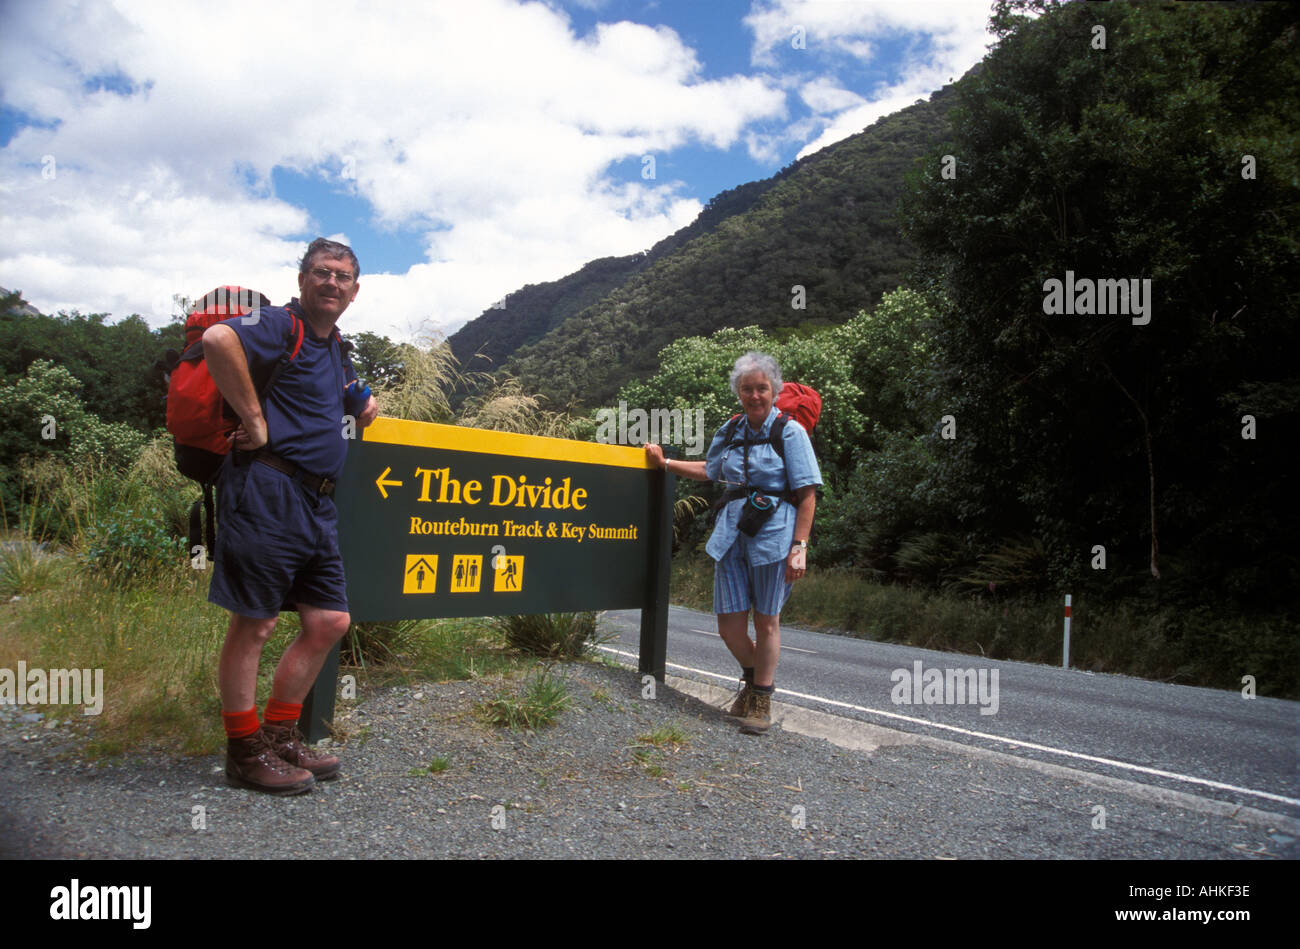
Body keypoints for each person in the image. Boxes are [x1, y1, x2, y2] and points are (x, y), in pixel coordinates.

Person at [203, 238, 378, 794]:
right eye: (322, 272)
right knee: (255, 622)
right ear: (303, 278)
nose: (332, 282)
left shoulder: (335, 345)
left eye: (343, 276)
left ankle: (281, 736)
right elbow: (217, 338)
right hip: (267, 488)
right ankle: (244, 751)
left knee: (329, 622)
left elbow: (346, 396)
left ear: (355, 291)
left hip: (317, 501)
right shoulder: (278, 322)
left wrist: (362, 403)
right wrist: (255, 422)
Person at [644, 352, 820, 734]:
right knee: (728, 625)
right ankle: (755, 681)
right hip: (731, 534)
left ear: (774, 390)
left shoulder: (790, 432)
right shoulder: (732, 428)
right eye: (747, 389)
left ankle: (760, 701)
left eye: (762, 388)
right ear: (738, 393)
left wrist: (800, 547)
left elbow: (807, 494)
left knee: (767, 621)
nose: (755, 395)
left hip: (775, 535)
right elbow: (711, 471)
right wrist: (666, 464)